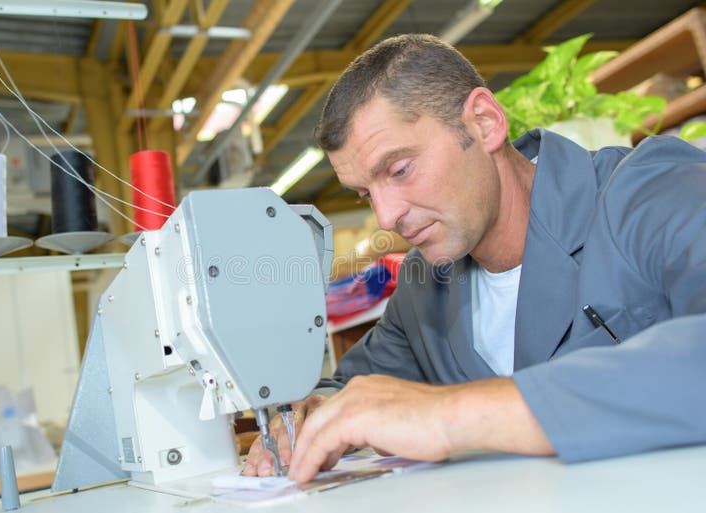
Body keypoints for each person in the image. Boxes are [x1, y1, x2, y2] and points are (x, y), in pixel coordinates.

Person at [243, 33, 706, 483]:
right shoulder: (425, 287)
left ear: (484, 122)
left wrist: (449, 415)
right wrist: (307, 415)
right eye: (366, 194)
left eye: (400, 169)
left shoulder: (649, 191)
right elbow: (352, 388)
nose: (386, 217)